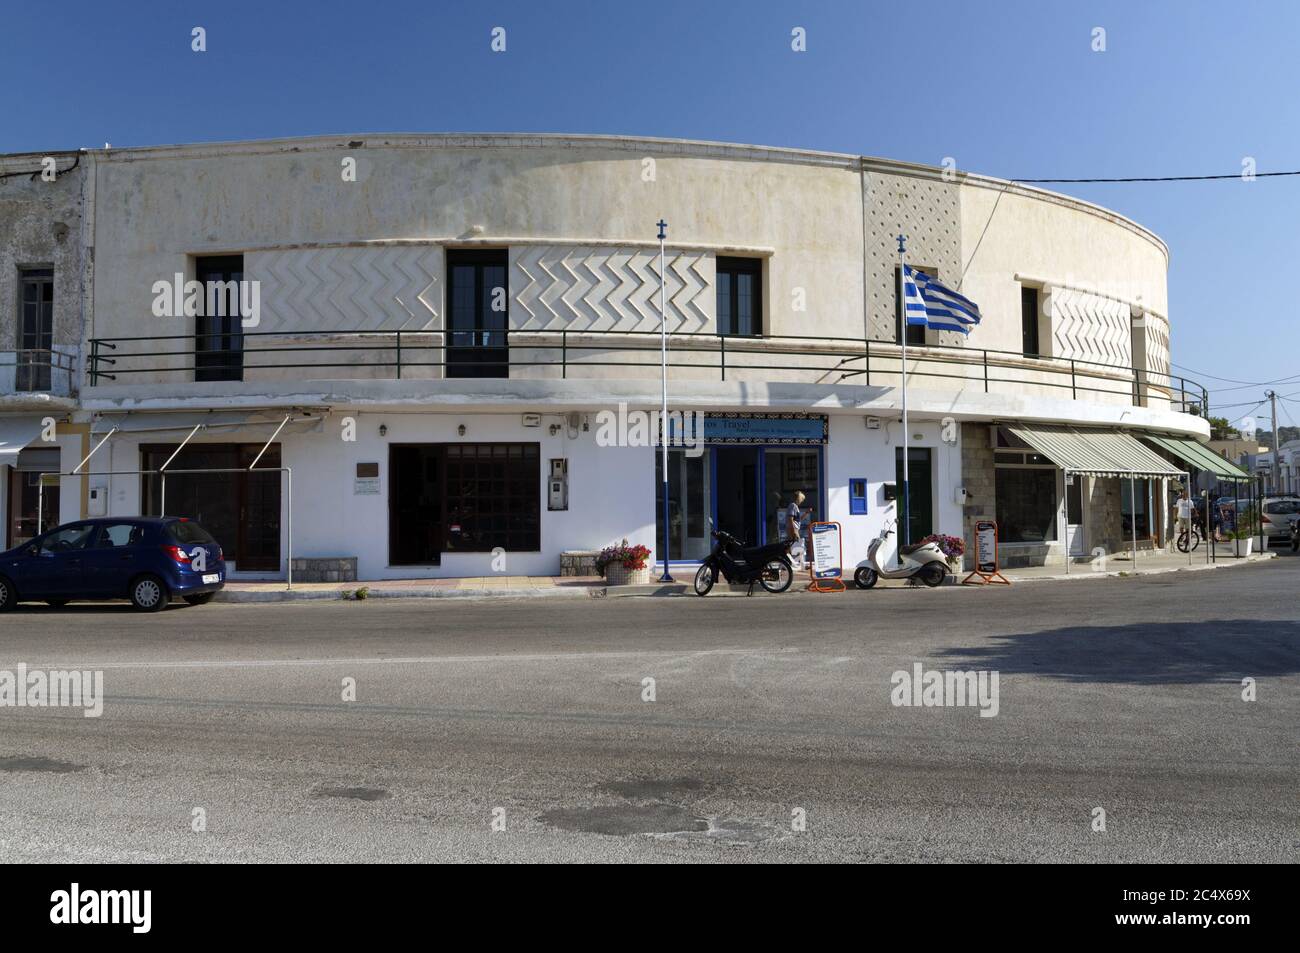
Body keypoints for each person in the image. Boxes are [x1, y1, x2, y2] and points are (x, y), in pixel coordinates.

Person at [785, 490, 806, 568]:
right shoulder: (793, 506)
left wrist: (806, 513)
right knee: (798, 546)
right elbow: (790, 519)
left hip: (793, 528)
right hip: (793, 529)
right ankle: (799, 564)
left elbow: (798, 519)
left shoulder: (794, 506)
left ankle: (795, 563)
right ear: (798, 498)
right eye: (802, 499)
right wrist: (794, 531)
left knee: (791, 547)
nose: (802, 501)